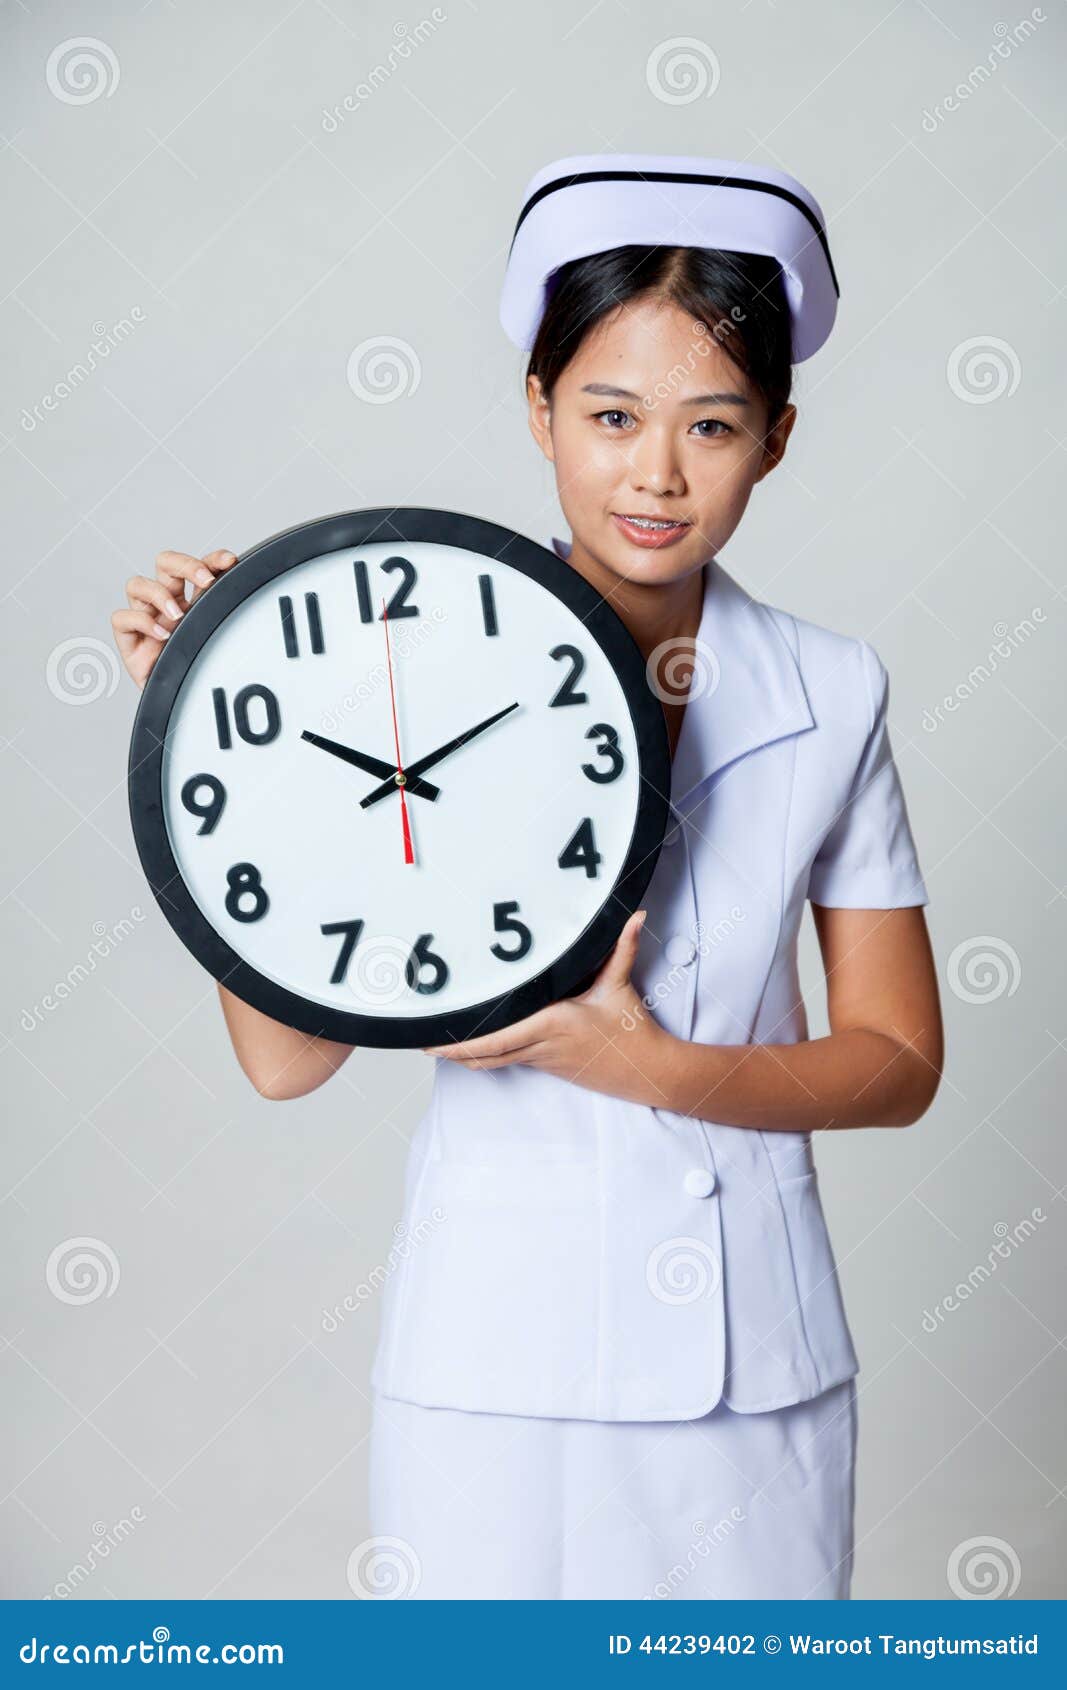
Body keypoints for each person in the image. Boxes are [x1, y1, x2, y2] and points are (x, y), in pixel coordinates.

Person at [110, 153, 943, 1601]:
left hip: (755, 1376)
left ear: (780, 438)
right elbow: (286, 1061)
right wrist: (218, 733)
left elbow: (898, 1058)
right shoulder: (389, 659)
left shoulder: (833, 688)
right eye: (611, 416)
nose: (658, 473)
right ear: (539, 409)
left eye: (714, 426)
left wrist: (653, 1067)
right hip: (492, 1366)